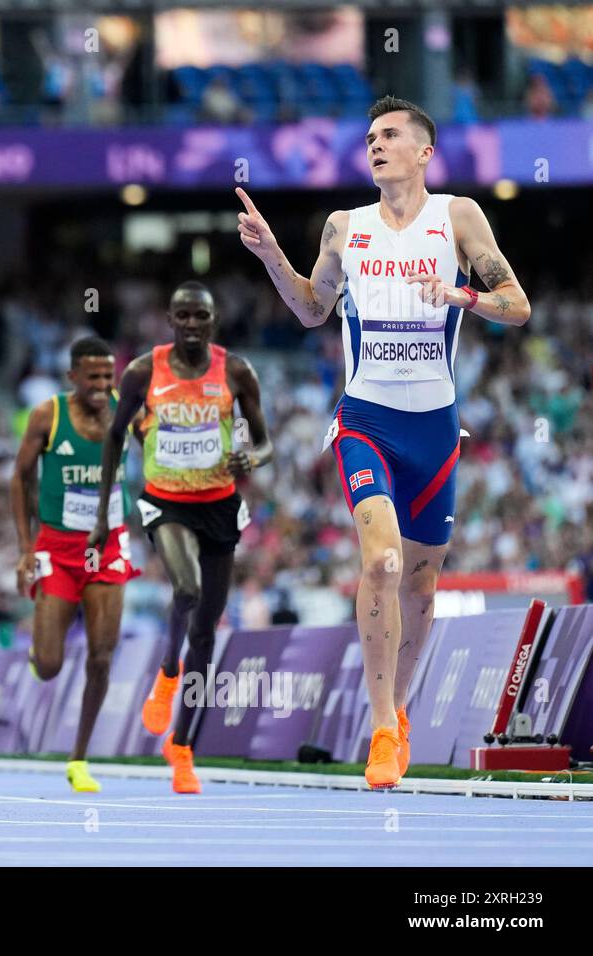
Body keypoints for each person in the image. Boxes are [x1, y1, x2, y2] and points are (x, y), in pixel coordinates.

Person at [236, 95, 529, 788]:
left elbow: (518, 307)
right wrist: (273, 254)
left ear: (423, 152)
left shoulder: (457, 217)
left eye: (390, 135)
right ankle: (380, 728)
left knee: (422, 587)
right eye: (370, 136)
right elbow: (311, 309)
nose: (375, 144)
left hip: (434, 430)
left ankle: (399, 714)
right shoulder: (345, 226)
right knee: (386, 565)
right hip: (366, 421)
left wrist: (461, 298)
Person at [91, 283, 273, 794]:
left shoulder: (235, 371)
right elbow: (113, 436)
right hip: (165, 500)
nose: (192, 324)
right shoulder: (143, 372)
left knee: (207, 632)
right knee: (187, 591)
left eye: (202, 317)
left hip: (219, 503)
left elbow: (264, 441)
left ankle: (184, 747)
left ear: (214, 321)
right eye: (184, 316)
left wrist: (251, 459)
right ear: (169, 319)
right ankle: (168, 671)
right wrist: (106, 511)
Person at [13, 336, 139, 793]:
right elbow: (20, 476)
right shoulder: (48, 415)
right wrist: (26, 547)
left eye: (109, 376)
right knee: (49, 664)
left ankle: (79, 758)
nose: (102, 385)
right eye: (93, 377)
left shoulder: (128, 410)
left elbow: (159, 446)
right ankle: (38, 655)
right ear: (72, 378)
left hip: (108, 547)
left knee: (102, 656)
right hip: (57, 549)